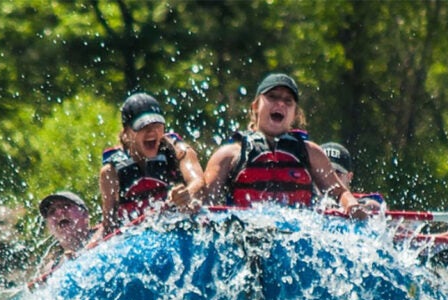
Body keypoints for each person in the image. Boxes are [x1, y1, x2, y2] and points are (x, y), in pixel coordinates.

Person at [199, 73, 368, 219]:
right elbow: (203, 204)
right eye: (272, 97)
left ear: (295, 114)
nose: (280, 104)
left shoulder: (311, 153)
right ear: (255, 106)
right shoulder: (228, 155)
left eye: (288, 101)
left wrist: (352, 205)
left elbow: (339, 193)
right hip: (243, 239)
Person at [99, 92, 204, 231]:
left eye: (157, 125)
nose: (152, 131)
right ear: (127, 133)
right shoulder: (111, 172)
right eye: (143, 126)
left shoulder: (179, 151)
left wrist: (186, 194)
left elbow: (198, 181)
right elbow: (108, 224)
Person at [32, 190, 101, 284]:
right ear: (49, 228)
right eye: (52, 212)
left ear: (85, 214)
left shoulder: (106, 234)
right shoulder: (50, 270)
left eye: (66, 206)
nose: (59, 212)